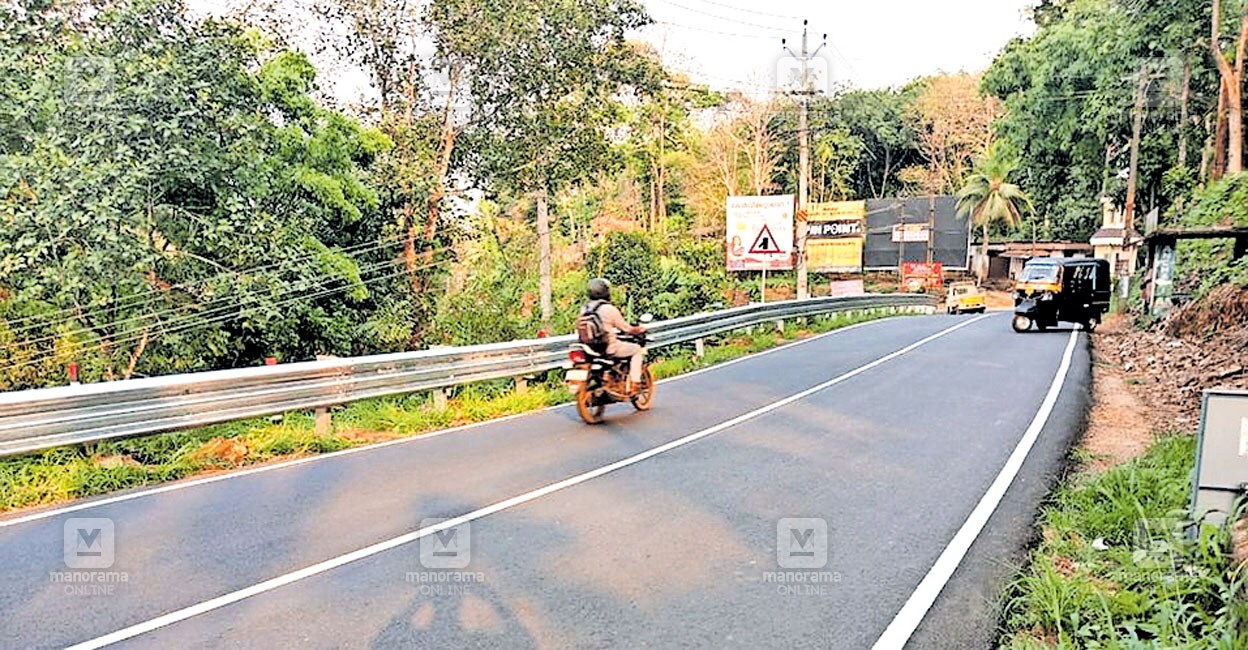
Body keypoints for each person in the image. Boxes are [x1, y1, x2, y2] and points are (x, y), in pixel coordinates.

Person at [580, 278, 647, 393]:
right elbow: (626, 328)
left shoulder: (584, 309)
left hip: (588, 347)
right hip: (607, 348)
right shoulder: (609, 309)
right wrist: (639, 329)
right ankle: (635, 383)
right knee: (636, 350)